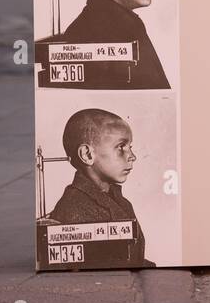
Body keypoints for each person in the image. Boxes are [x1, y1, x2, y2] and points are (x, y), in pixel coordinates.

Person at [48, 108, 152, 268]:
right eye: (121, 146)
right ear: (87, 155)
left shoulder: (118, 200)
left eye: (130, 146)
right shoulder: (74, 209)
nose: (132, 156)